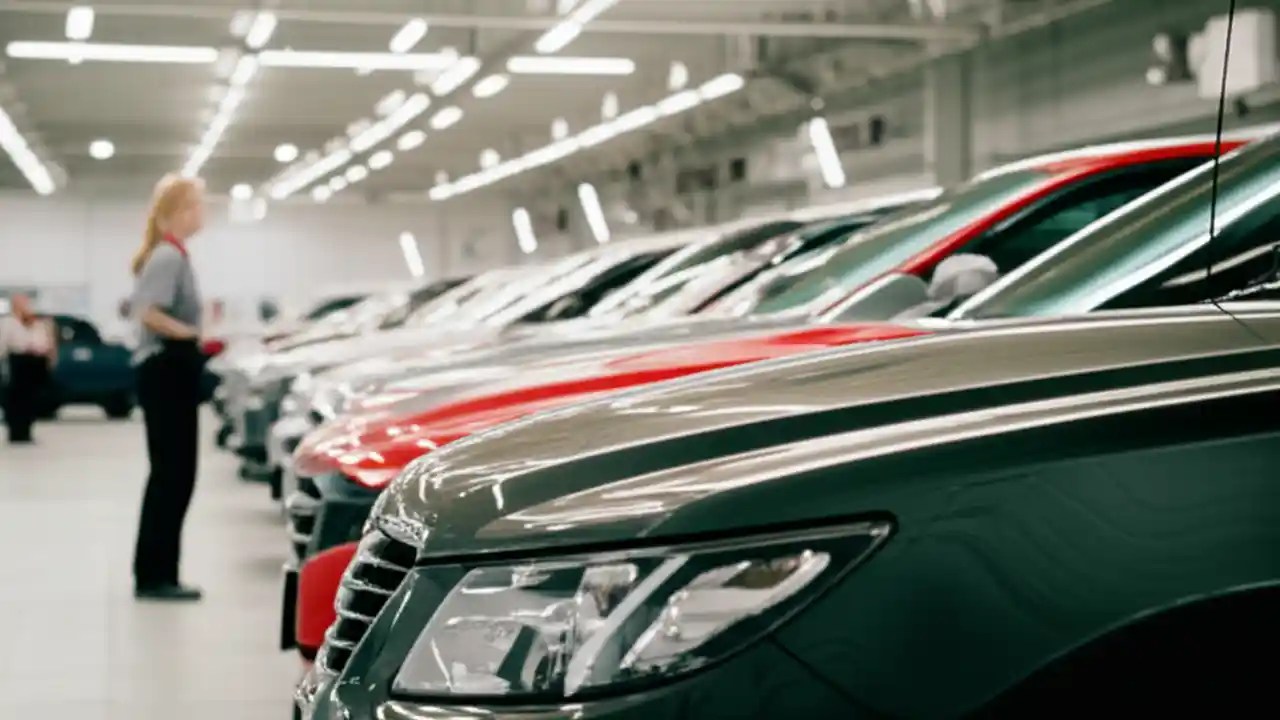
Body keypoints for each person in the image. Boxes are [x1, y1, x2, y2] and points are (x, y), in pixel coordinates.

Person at [130, 173, 207, 602]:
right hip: (166, 372)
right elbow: (149, 313)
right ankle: (156, 575)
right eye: (198, 205)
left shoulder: (174, 255)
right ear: (180, 211)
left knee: (173, 474)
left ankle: (159, 570)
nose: (203, 213)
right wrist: (190, 334)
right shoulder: (168, 258)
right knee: (172, 475)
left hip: (168, 374)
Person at [0, 294, 56, 444]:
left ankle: (26, 431)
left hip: (34, 362)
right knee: (15, 399)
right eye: (22, 303)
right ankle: (16, 432)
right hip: (18, 361)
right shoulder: (8, 322)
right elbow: (3, 344)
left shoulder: (36, 323)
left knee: (31, 400)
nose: (26, 306)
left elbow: (46, 342)